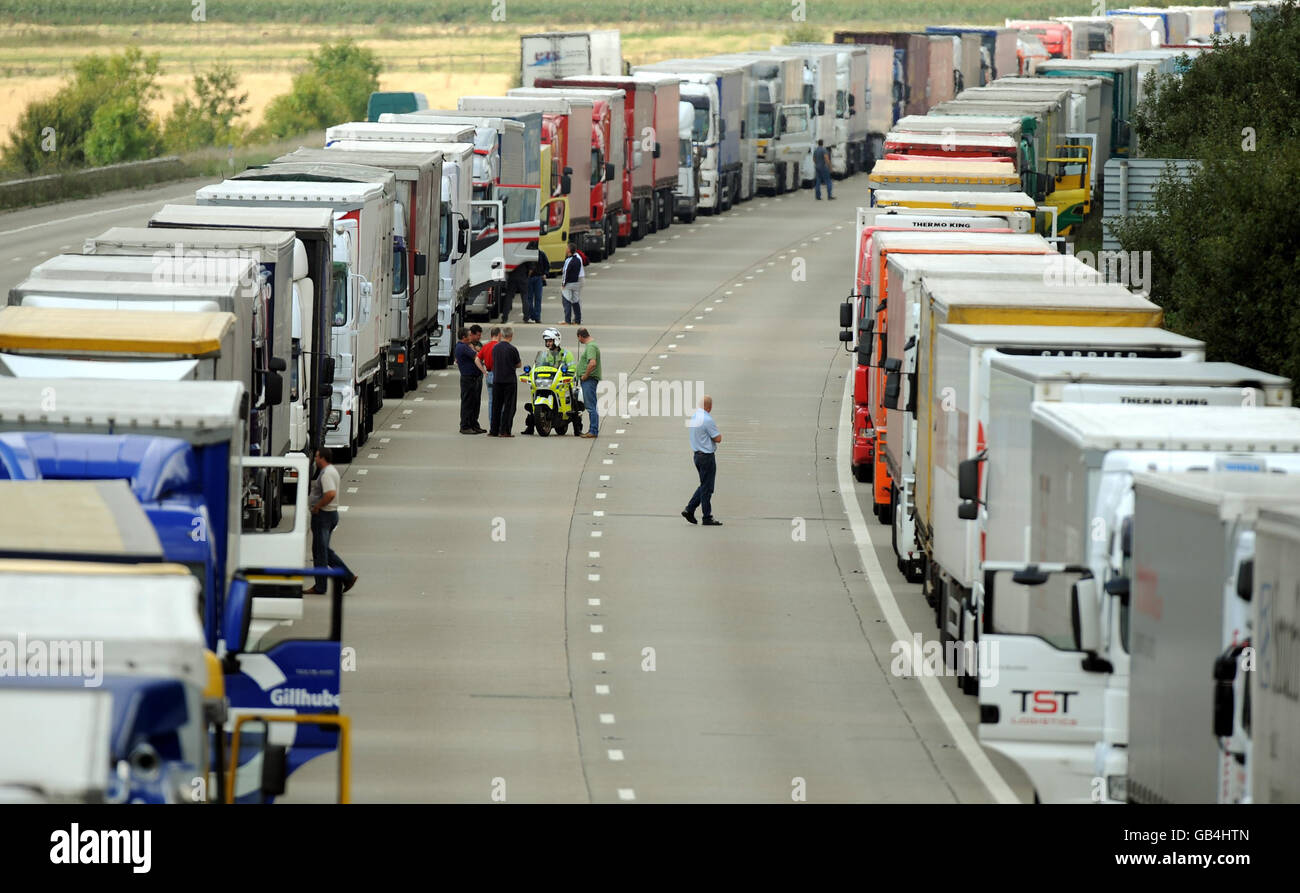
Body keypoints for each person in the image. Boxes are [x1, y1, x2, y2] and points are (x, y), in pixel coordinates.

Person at [307, 447, 357, 593]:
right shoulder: (331, 471)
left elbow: (330, 494)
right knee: (323, 551)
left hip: (324, 516)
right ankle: (347, 577)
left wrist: (317, 506)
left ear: (323, 458)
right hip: (329, 515)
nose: (315, 459)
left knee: (320, 553)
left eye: (317, 456)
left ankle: (322, 586)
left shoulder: (327, 474)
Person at [522, 328, 575, 435]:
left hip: (563, 382)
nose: (548, 343)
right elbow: (540, 366)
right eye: (547, 341)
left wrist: (568, 373)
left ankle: (577, 426)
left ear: (556, 340)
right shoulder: (545, 354)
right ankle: (531, 426)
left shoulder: (566, 354)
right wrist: (531, 373)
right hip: (549, 381)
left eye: (550, 341)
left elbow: (573, 369)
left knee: (574, 400)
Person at [682, 395, 722, 526]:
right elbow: (718, 438)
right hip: (706, 456)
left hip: (697, 455)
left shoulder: (694, 417)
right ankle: (705, 516)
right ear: (709, 407)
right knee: (707, 487)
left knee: (705, 485)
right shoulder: (707, 419)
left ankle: (690, 509)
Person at [489, 326, 522, 437]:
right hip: (509, 381)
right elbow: (518, 364)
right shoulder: (512, 349)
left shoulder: (495, 348)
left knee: (496, 406)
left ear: (502, 335)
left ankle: (494, 430)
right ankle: (505, 430)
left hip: (497, 380)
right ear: (511, 336)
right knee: (508, 406)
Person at [455, 327, 485, 434]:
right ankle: (465, 426)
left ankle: (474, 424)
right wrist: (475, 349)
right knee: (467, 403)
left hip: (474, 378)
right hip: (468, 378)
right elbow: (478, 356)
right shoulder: (463, 347)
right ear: (464, 337)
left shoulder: (465, 346)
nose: (470, 337)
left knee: (475, 403)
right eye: (469, 335)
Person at [576, 327, 601, 439]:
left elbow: (592, 363)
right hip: (589, 380)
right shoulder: (592, 345)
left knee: (591, 406)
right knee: (592, 405)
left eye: (578, 338)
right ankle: (593, 429)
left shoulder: (590, 346)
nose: (579, 341)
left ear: (581, 336)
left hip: (589, 380)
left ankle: (593, 430)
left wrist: (585, 375)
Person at [476, 326, 501, 425]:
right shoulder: (499, 346)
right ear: (499, 335)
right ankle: (499, 424)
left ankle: (492, 423)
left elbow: (477, 359)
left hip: (489, 374)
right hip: (499, 375)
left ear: (491, 335)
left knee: (491, 401)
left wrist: (484, 371)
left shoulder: (485, 346)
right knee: (501, 401)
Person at [561, 242, 584, 325]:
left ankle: (567, 320)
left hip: (568, 283)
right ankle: (578, 320)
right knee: (575, 301)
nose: (566, 249)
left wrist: (563, 283)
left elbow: (566, 272)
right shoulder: (578, 259)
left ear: (569, 250)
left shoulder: (568, 260)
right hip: (576, 283)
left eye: (567, 248)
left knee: (566, 300)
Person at [525, 257, 546, 324]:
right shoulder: (540, 253)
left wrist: (544, 273)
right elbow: (546, 264)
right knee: (535, 298)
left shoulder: (539, 253)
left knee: (533, 298)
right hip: (536, 278)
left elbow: (546, 264)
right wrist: (544, 273)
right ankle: (535, 317)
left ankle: (534, 316)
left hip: (535, 277)